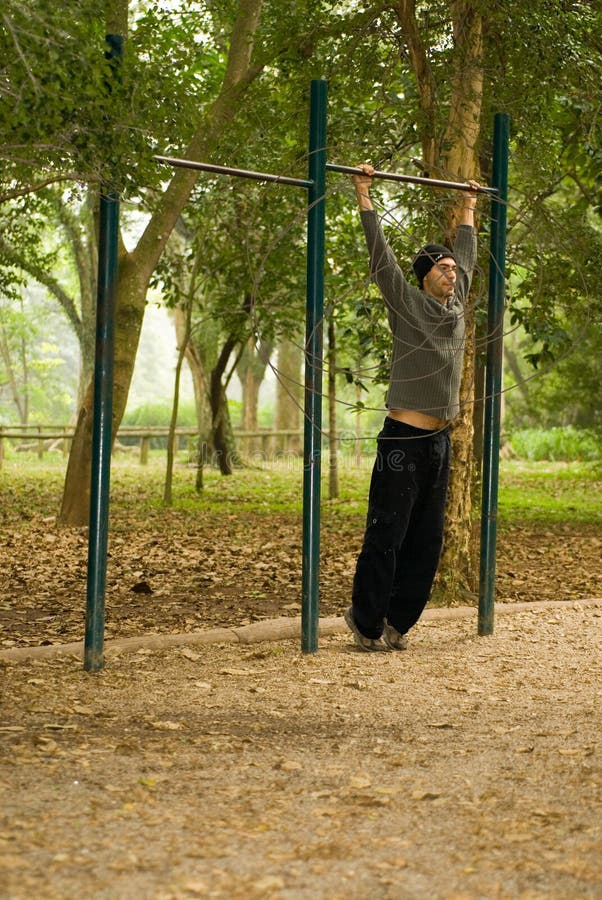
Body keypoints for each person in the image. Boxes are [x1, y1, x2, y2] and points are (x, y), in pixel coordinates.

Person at [344, 164, 480, 652]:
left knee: (427, 540)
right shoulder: (406, 302)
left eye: (452, 268)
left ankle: (398, 622)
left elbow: (466, 252)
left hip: (439, 443)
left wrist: (468, 204)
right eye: (442, 268)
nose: (451, 272)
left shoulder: (457, 308)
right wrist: (364, 196)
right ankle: (365, 622)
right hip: (403, 438)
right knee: (388, 531)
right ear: (425, 276)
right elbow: (381, 260)